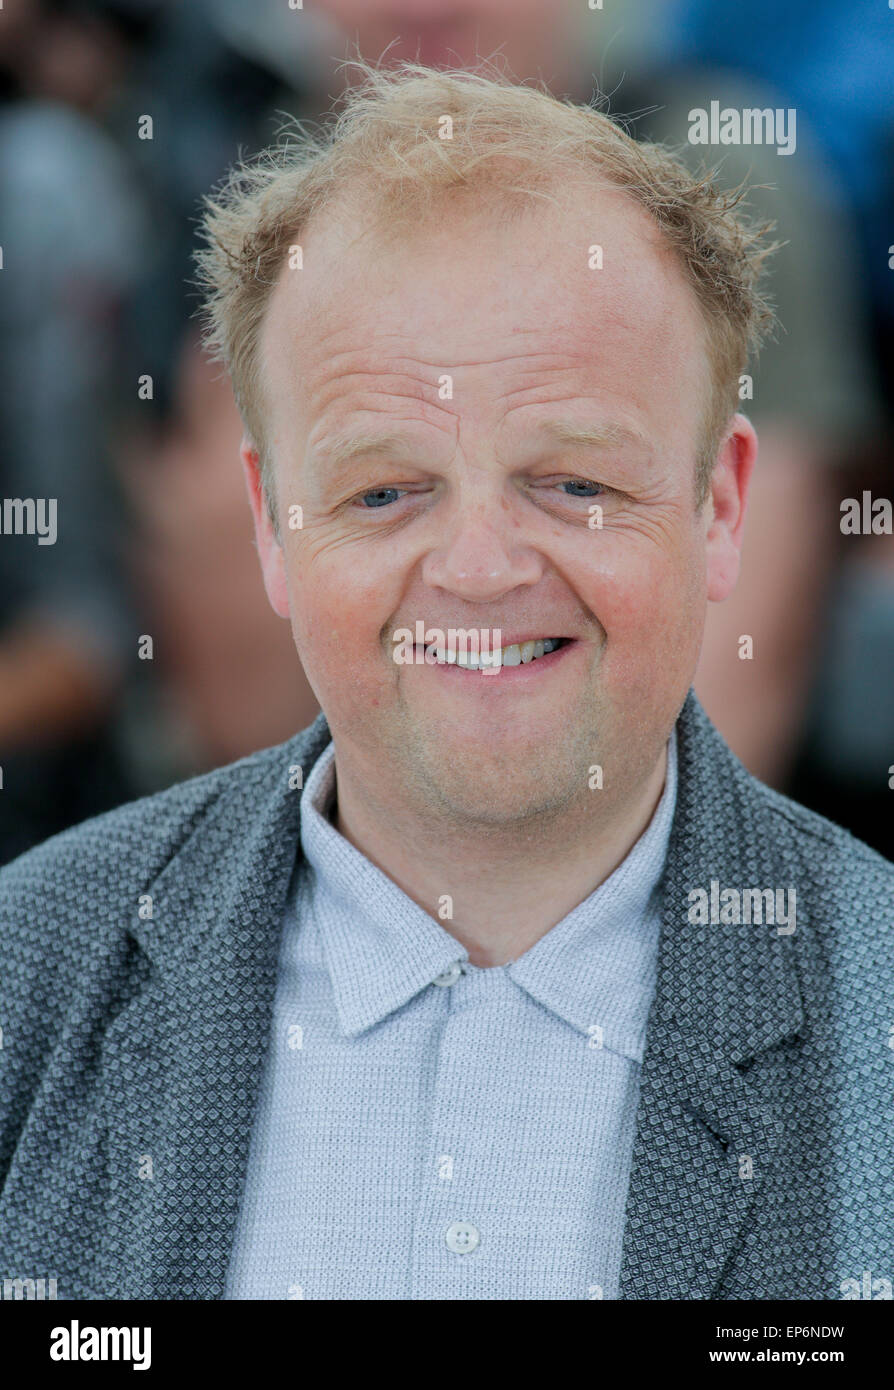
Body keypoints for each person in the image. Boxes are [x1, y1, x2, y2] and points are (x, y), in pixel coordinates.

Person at [1, 62, 891, 1301]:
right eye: (384, 491)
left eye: (574, 482)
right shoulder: (25, 972)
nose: (479, 569)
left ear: (720, 504)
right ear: (270, 521)